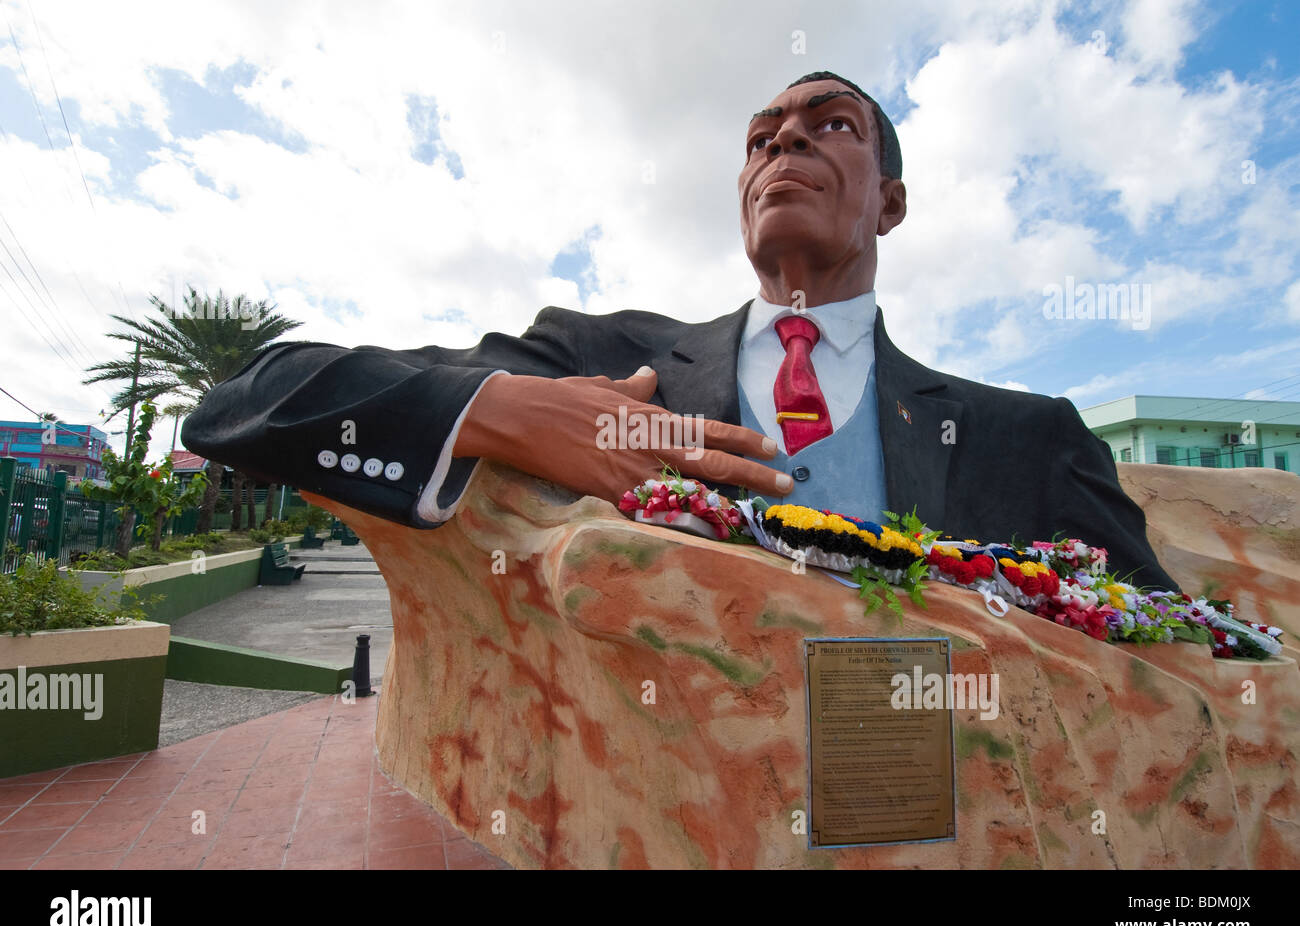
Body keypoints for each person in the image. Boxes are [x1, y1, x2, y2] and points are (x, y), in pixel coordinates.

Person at [183, 70, 1178, 590]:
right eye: (760, 139)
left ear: (890, 202)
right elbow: (247, 401)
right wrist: (505, 409)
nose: (783, 138)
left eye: (830, 126)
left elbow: (1188, 679)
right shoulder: (599, 362)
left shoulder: (1028, 438)